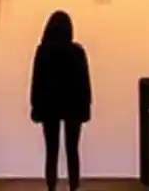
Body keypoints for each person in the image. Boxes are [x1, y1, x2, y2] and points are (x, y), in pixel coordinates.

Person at [30, 10, 92, 190]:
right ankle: (74, 187)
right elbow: (84, 82)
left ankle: (51, 187)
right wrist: (86, 107)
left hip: (49, 106)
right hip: (73, 106)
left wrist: (35, 106)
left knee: (51, 151)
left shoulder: (43, 51)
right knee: (73, 151)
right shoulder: (77, 52)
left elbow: (37, 81)